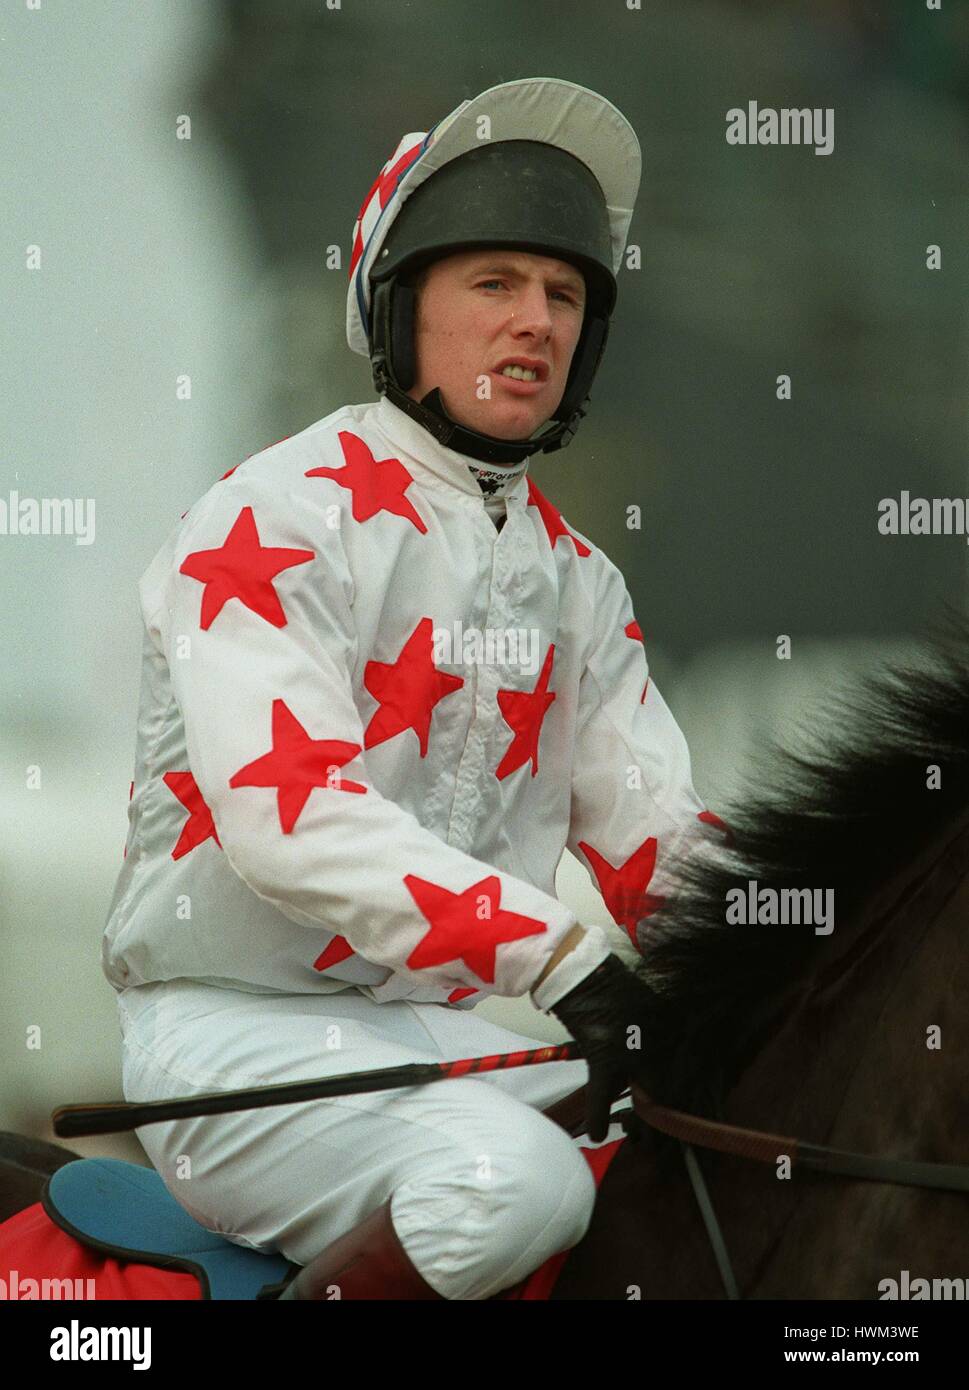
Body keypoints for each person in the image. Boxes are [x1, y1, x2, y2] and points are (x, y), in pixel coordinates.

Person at [102, 76, 723, 1300]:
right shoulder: (269, 517)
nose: (535, 322)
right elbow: (294, 817)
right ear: (399, 309)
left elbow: (664, 847)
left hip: (439, 1046)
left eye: (562, 295)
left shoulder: (581, 584)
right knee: (518, 1188)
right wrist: (559, 958)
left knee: (720, 1145)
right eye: (493, 284)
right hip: (230, 1041)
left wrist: (831, 946)